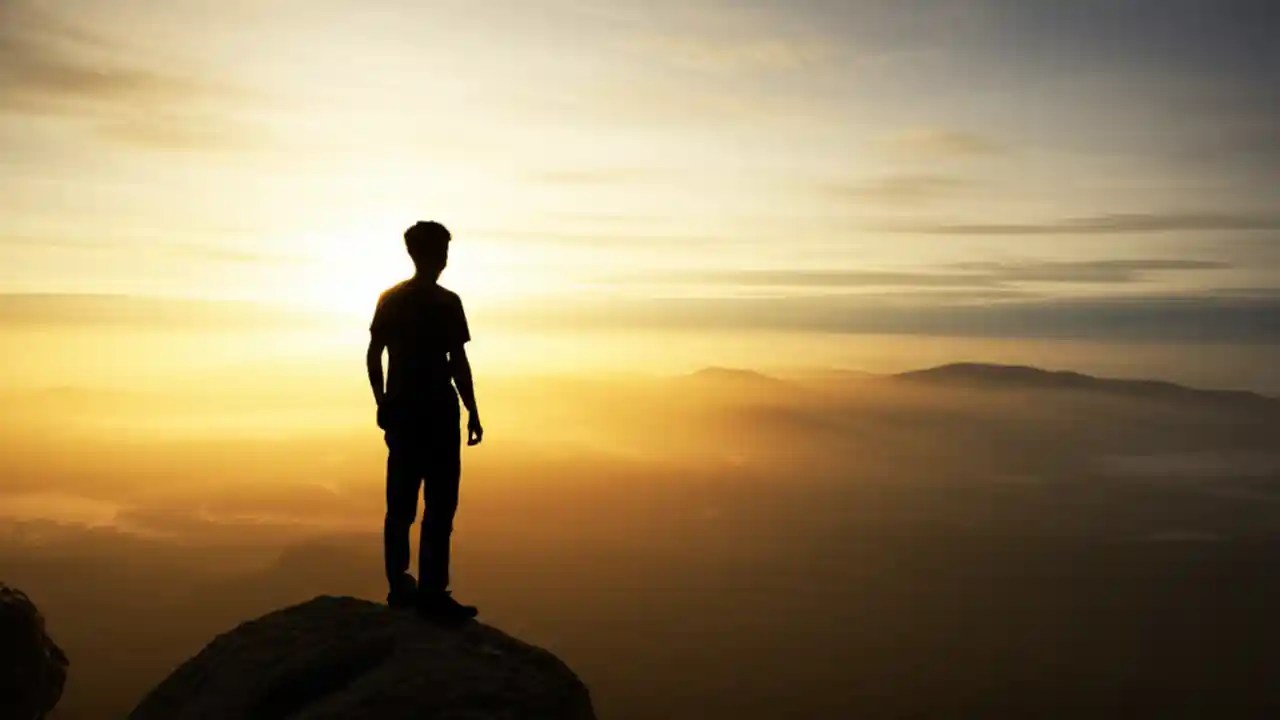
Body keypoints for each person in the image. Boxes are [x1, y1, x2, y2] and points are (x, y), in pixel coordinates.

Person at [367, 220, 483, 621]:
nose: (445, 258)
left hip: (404, 412)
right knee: (439, 506)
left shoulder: (391, 299)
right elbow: (458, 362)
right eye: (442, 250)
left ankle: (401, 587)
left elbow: (373, 355)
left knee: (401, 505)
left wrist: (382, 401)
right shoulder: (447, 303)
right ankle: (431, 592)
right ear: (432, 254)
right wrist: (472, 410)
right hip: (437, 413)